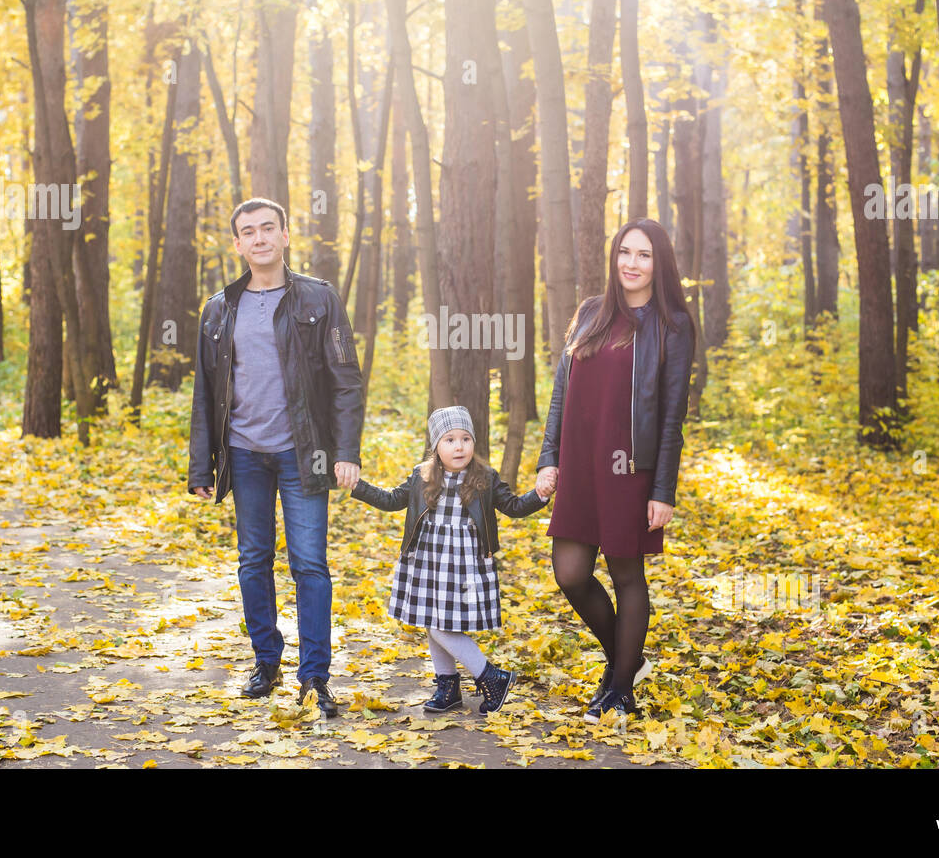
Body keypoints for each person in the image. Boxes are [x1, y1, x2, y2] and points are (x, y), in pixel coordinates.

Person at [188, 197, 363, 717]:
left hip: (303, 454)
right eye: (249, 231)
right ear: (237, 244)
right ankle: (266, 660)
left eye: (269, 228)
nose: (260, 238)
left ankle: (315, 678)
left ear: (286, 236)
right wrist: (203, 465)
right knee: (252, 561)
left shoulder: (319, 298)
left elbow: (345, 381)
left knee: (310, 564)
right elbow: (205, 392)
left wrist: (346, 452)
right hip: (243, 454)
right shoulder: (219, 308)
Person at [535, 218, 695, 722]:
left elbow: (672, 414)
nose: (631, 263)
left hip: (631, 470)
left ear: (659, 263)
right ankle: (629, 660)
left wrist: (663, 489)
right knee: (571, 573)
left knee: (627, 574)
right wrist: (548, 457)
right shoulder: (590, 313)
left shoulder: (673, 324)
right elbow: (561, 393)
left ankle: (620, 688)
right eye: (625, 252)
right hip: (581, 465)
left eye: (644, 255)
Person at [349, 406, 549, 714]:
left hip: (464, 564)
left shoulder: (485, 478)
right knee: (432, 623)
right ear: (435, 446)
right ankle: (448, 686)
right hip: (427, 561)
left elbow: (513, 506)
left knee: (443, 626)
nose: (459, 446)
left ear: (474, 443)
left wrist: (540, 494)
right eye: (450, 439)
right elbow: (391, 500)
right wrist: (357, 486)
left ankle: (491, 676)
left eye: (466, 439)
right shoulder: (421, 476)